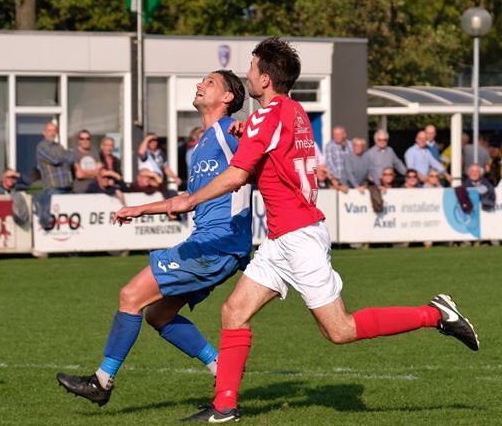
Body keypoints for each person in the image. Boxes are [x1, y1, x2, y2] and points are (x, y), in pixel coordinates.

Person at [160, 38, 478, 422]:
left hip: (299, 236)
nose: (247, 73)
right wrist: (249, 133)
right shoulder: (294, 111)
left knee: (340, 330)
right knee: (233, 312)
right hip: (282, 237)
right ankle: (224, 407)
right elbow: (274, 158)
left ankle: (435, 314)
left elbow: (236, 175)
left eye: (251, 67)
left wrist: (187, 200)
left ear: (263, 79)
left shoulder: (266, 117)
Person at [57, 70, 252, 407]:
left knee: (130, 295)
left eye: (210, 82)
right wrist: (140, 209)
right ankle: (221, 369)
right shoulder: (202, 144)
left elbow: (261, 145)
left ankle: (102, 382)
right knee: (157, 316)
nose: (199, 84)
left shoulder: (227, 131)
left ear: (228, 98)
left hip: (217, 243)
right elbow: (186, 199)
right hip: (212, 244)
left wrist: (247, 128)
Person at [35, 121, 73, 229]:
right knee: (51, 222)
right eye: (49, 130)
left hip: (66, 186)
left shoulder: (59, 146)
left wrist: (66, 156)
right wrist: (66, 155)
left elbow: (71, 159)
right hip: (53, 187)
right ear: (44, 133)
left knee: (67, 221)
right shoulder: (41, 146)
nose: (52, 133)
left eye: (54, 130)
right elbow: (55, 159)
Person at [71, 129, 101, 193]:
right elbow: (79, 175)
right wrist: (93, 173)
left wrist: (85, 172)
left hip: (95, 189)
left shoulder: (94, 152)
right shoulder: (74, 153)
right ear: (78, 140)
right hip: (80, 190)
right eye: (82, 138)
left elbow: (99, 173)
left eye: (87, 138)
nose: (85, 141)